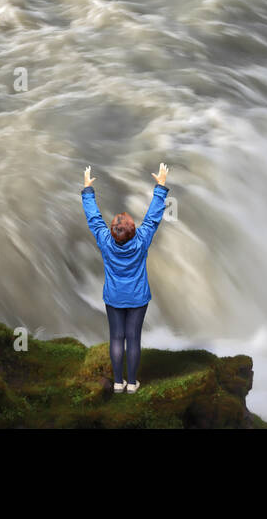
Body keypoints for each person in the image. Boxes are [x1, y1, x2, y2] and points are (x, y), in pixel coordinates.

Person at [80, 162, 170, 393]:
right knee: (133, 338)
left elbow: (94, 218)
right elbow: (153, 218)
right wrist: (160, 185)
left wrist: (88, 190)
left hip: (114, 297)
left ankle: (118, 382)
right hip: (138, 298)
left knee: (116, 338)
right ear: (132, 230)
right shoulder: (141, 240)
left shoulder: (104, 239)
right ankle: (132, 384)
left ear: (113, 231)